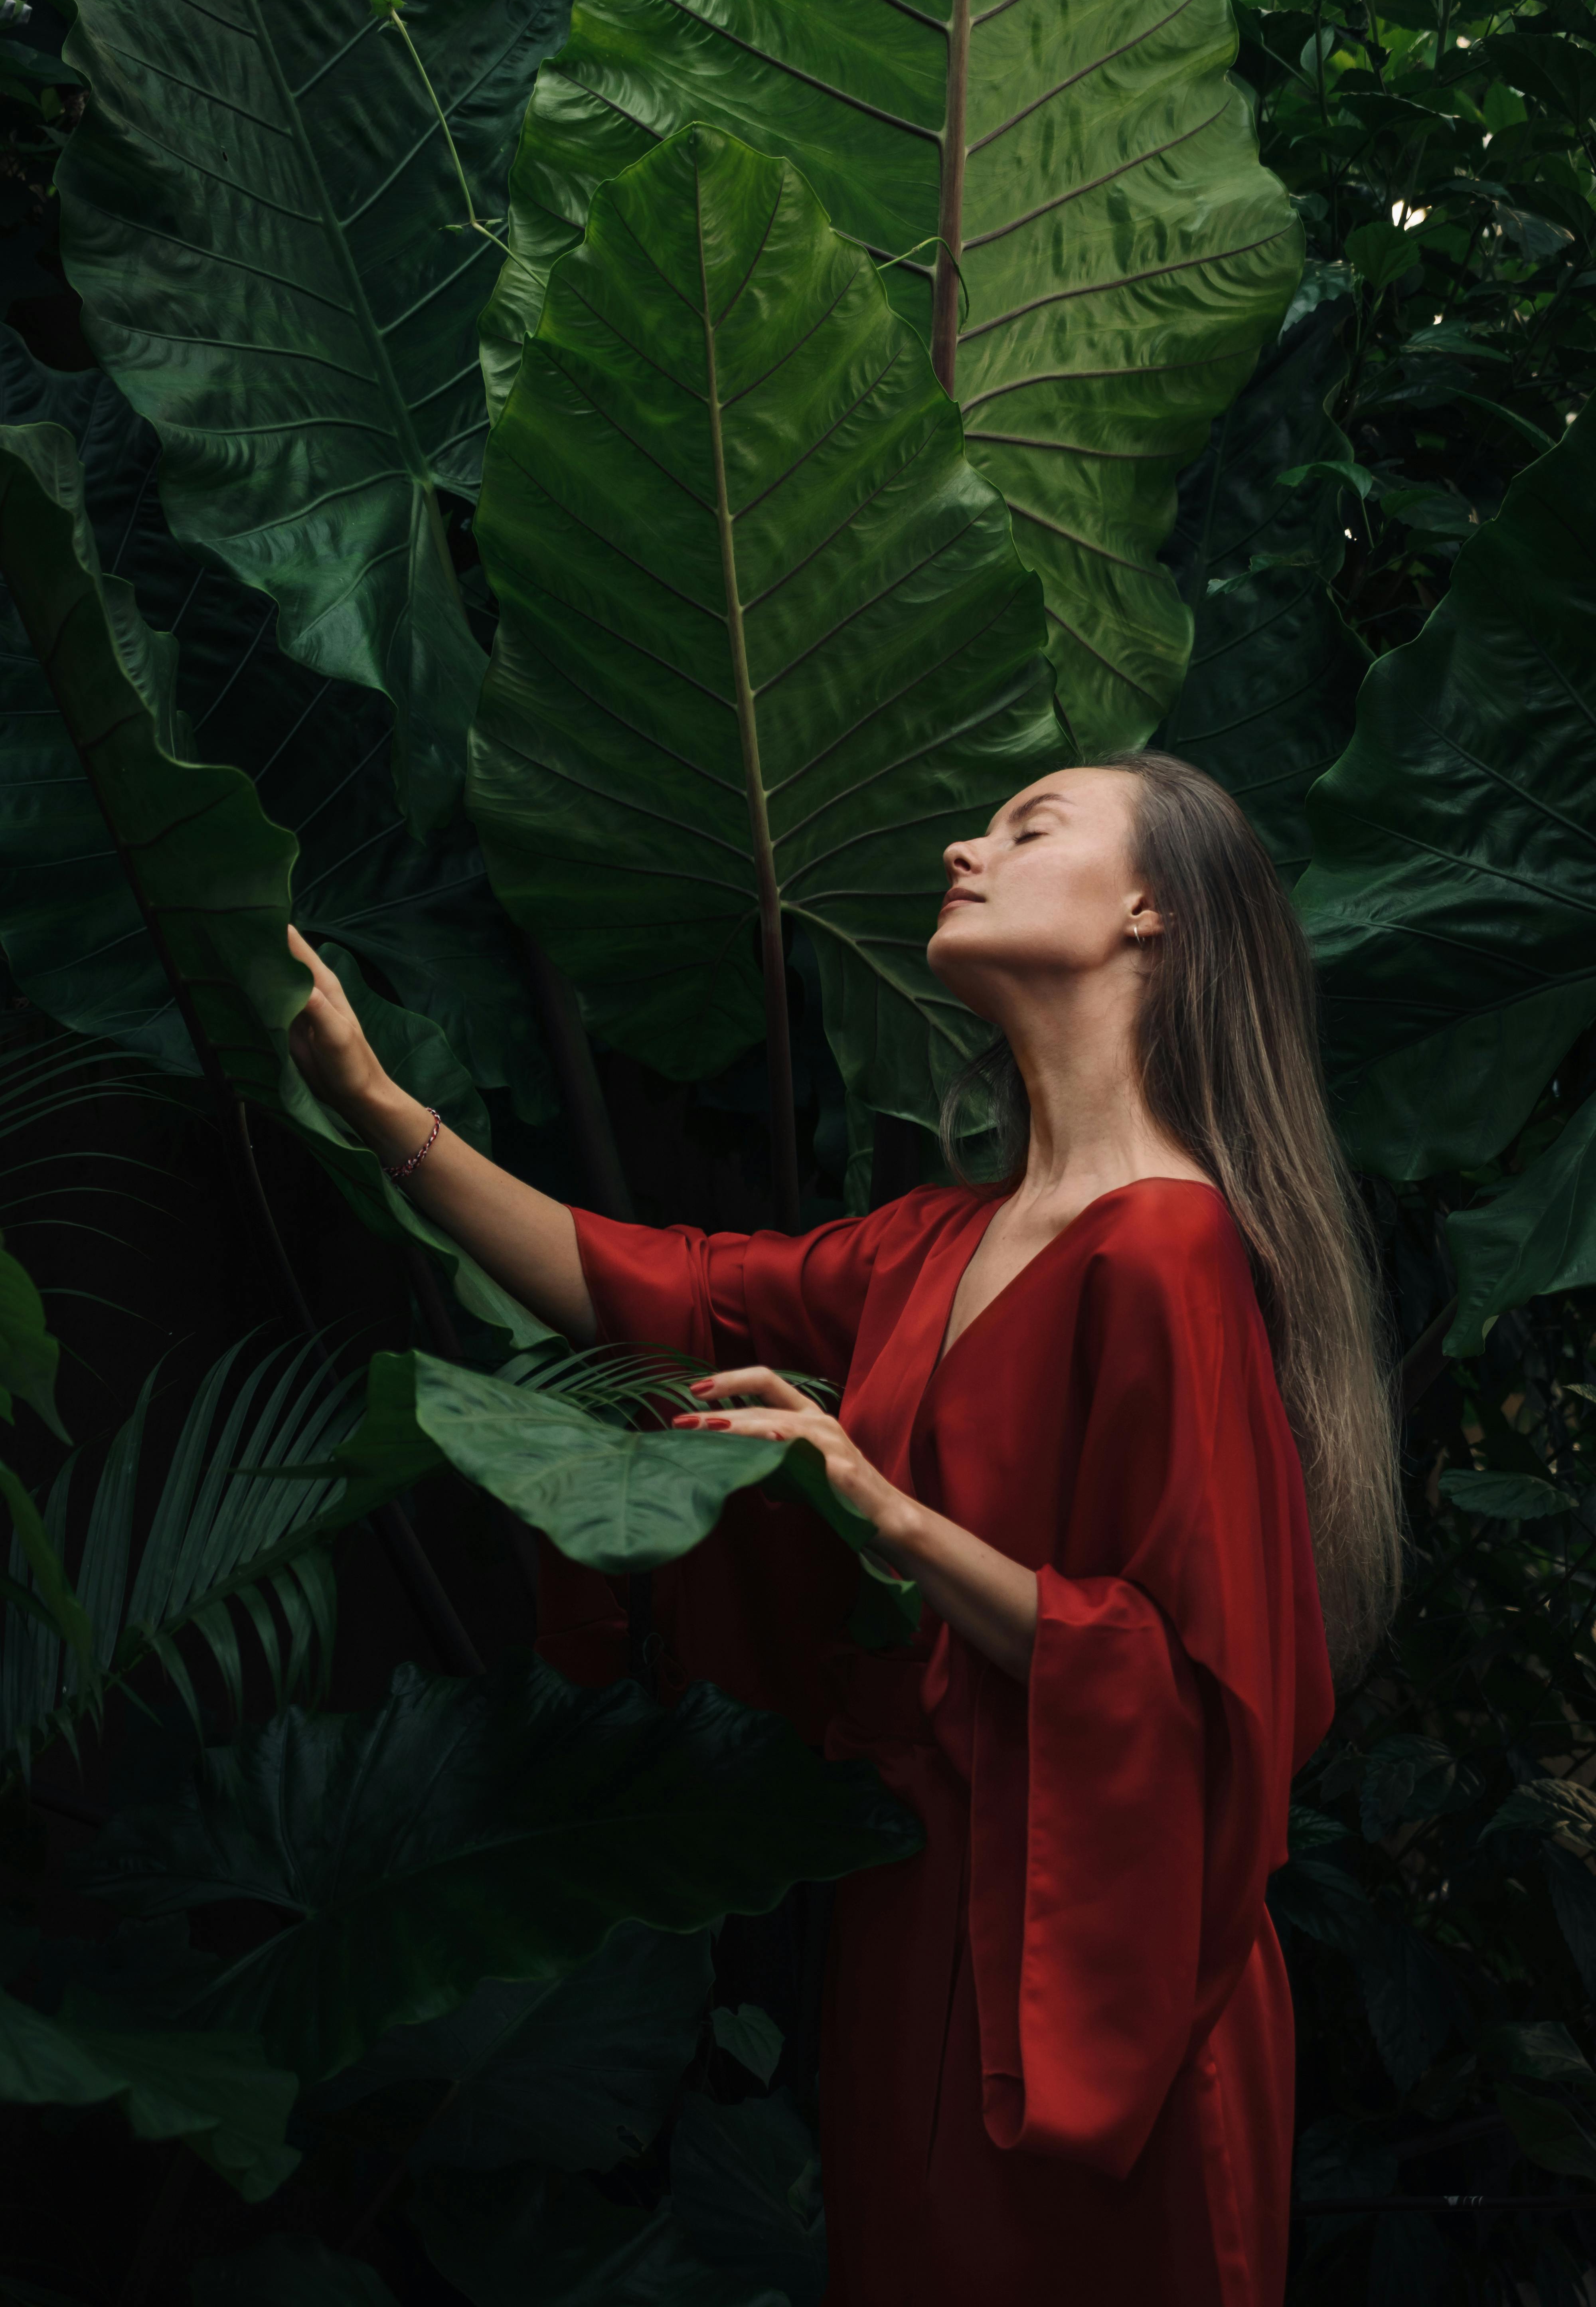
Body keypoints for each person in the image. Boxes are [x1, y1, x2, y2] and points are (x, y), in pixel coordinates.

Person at [287, 751, 1401, 2307]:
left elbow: (1189, 1689)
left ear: (1150, 911)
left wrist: (889, 1515)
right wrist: (370, 1098)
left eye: (1028, 826)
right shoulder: (932, 1242)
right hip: (913, 1914)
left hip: (1105, 1967)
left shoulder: (1166, 1247)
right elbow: (656, 1289)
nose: (963, 848)